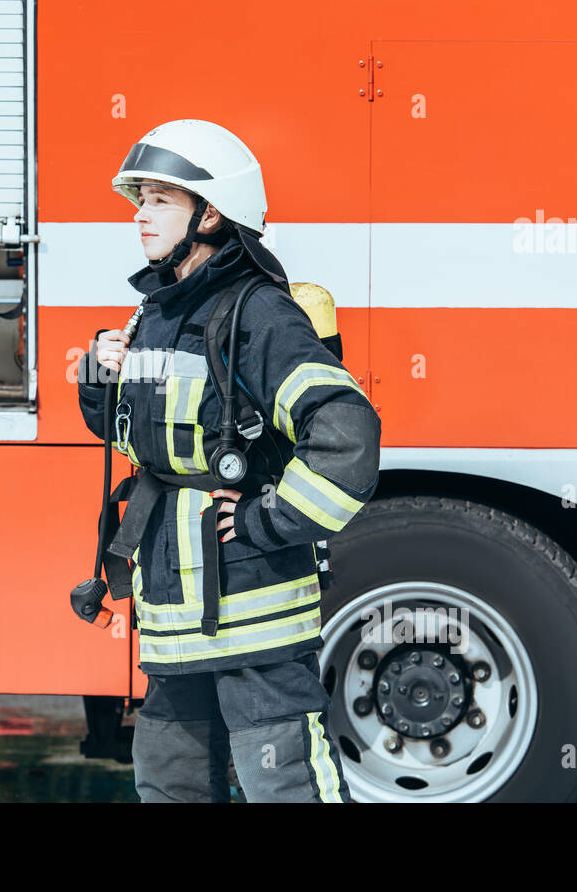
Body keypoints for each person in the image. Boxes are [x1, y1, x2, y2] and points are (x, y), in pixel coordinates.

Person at [77, 119, 382, 802]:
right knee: (169, 783)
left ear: (211, 213)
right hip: (171, 622)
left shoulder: (262, 316)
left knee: (284, 784)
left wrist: (265, 520)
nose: (142, 217)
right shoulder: (154, 312)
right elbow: (135, 438)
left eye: (161, 200)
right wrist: (100, 379)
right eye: (141, 200)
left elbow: (347, 434)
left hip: (258, 626)